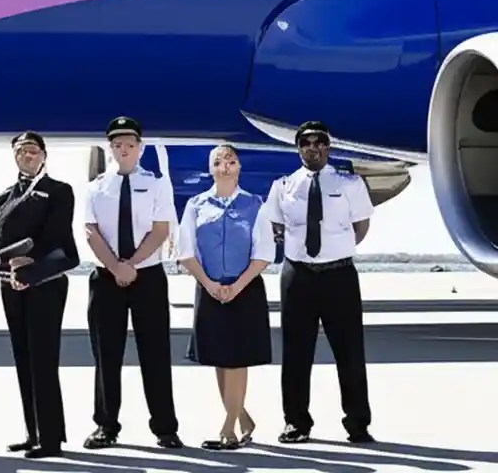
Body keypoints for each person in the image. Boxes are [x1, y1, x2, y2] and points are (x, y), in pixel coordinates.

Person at [264, 121, 376, 445]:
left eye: (319, 142)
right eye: (306, 143)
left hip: (339, 275)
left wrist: (336, 250)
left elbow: (361, 225)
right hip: (298, 275)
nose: (313, 147)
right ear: (298, 148)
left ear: (328, 147)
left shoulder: (350, 184)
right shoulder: (283, 186)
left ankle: (357, 423)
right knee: (296, 354)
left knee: (350, 351)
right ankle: (296, 422)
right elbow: (276, 223)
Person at [83, 116, 183, 450]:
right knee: (106, 355)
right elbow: (90, 231)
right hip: (106, 277)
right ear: (110, 149)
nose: (124, 151)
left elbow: (160, 230)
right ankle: (106, 426)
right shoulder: (96, 187)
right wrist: (115, 266)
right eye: (117, 145)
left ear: (139, 149)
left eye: (130, 145)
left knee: (155, 353)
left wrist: (132, 264)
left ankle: (165, 427)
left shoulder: (155, 184)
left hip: (148, 276)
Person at [0, 130, 78, 459]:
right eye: (21, 151)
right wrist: (2, 263)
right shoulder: (2, 199)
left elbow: (67, 251)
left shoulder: (59, 192)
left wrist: (30, 274)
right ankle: (32, 431)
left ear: (44, 155)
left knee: (43, 360)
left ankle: (50, 438)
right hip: (11, 287)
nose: (27, 155)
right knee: (23, 359)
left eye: (33, 150)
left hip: (45, 286)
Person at [174, 144, 274, 450]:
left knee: (237, 360)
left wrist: (237, 286)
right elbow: (186, 251)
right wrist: (209, 284)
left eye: (231, 161)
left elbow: (264, 253)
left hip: (245, 288)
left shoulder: (256, 205)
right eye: (219, 161)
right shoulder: (195, 205)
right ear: (211, 169)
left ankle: (228, 429)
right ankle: (241, 416)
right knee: (219, 358)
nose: (226, 166)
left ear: (239, 167)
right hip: (209, 287)